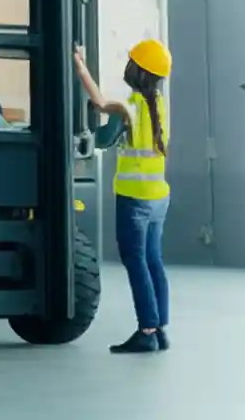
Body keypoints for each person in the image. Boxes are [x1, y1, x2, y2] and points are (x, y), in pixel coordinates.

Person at [72, 39, 173, 354]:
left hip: (134, 199)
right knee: (154, 261)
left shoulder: (129, 106)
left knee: (137, 262)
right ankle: (159, 330)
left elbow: (102, 126)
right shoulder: (159, 103)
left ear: (137, 70)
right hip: (158, 196)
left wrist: (79, 67)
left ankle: (146, 330)